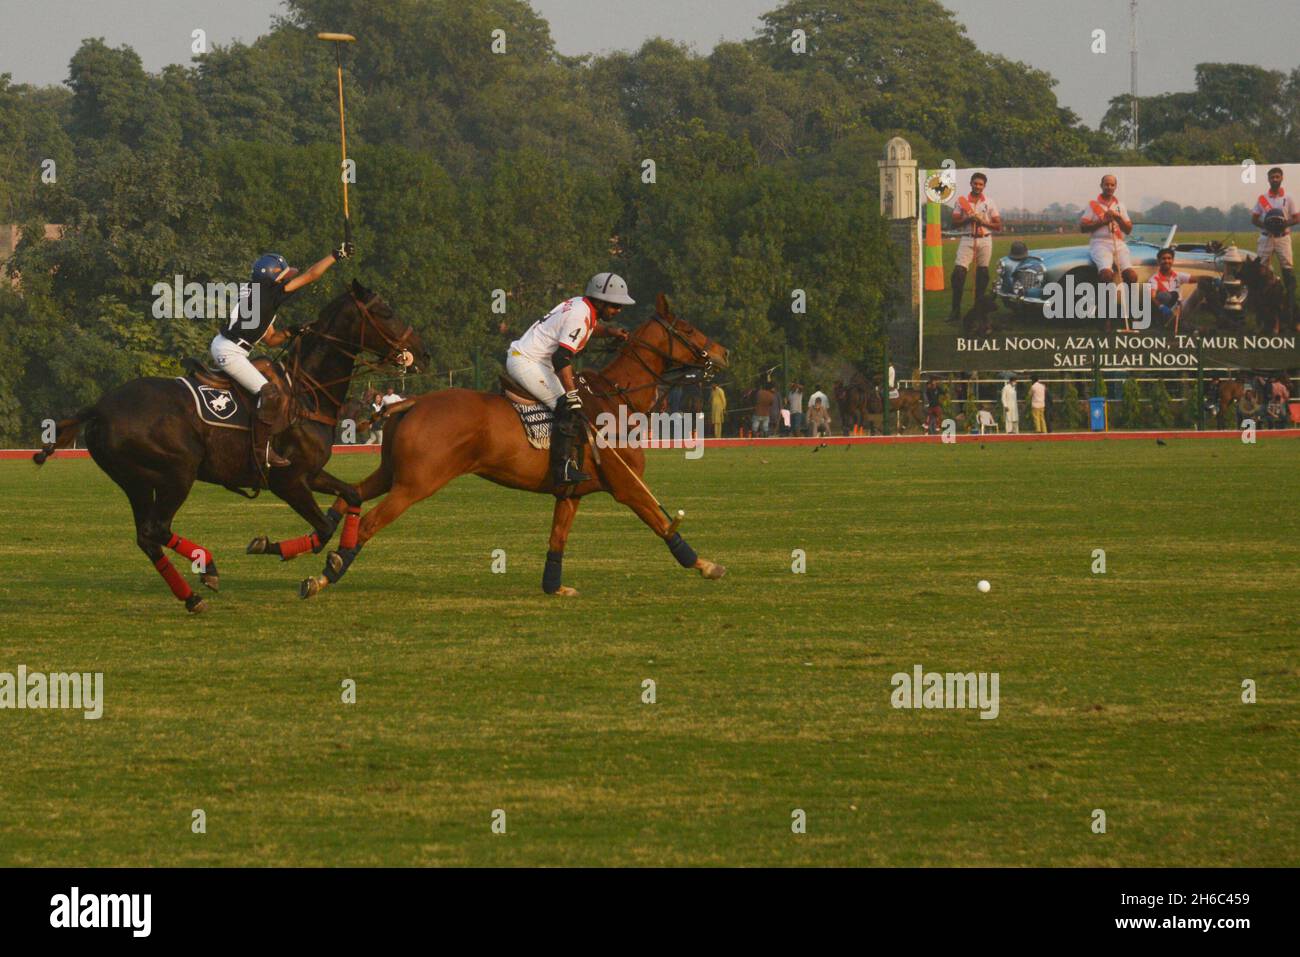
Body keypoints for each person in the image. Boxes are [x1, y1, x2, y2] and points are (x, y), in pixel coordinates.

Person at [210, 243, 352, 468]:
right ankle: (261, 451)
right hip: (229, 350)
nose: (286, 280)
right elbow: (311, 275)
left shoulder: (260, 296)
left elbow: (271, 339)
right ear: (272, 278)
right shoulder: (267, 293)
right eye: (283, 276)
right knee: (271, 394)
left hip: (230, 347)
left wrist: (291, 331)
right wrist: (335, 256)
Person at [505, 272, 631, 485]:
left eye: (620, 306)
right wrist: (571, 394)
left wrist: (609, 332)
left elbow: (590, 328)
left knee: (571, 401)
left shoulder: (581, 305)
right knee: (569, 406)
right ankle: (561, 469)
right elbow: (561, 357)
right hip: (527, 362)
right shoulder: (579, 316)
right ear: (599, 301)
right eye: (614, 305)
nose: (618, 310)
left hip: (533, 359)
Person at [1080, 174, 1137, 333]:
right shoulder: (1093, 205)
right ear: (1101, 185)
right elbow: (1083, 227)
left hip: (1118, 243)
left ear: (1115, 186)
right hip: (1100, 243)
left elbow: (1128, 229)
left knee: (1131, 276)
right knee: (1106, 275)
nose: (1109, 187)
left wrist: (1118, 218)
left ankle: (1130, 316)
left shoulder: (1120, 205)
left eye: (1112, 185)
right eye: (1106, 184)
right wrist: (1104, 221)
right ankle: (1105, 318)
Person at [949, 172, 1002, 322]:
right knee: (958, 274)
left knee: (982, 275)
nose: (978, 186)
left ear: (984, 186)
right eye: (975, 183)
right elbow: (954, 223)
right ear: (971, 183)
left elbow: (998, 225)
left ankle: (978, 310)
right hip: (967, 239)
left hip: (985, 240)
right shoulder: (962, 201)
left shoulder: (989, 202)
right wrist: (969, 218)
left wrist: (983, 222)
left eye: (981, 184)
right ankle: (955, 311)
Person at [1251, 167, 1299, 329]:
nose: (1275, 179)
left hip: (1283, 238)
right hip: (1266, 237)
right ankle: (1262, 318)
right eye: (1272, 177)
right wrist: (1267, 225)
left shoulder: (1289, 197)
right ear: (1268, 179)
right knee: (1260, 275)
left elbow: (1297, 218)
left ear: (1282, 178)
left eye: (1277, 176)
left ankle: (1292, 316)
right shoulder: (1262, 198)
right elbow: (1254, 219)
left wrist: (1283, 223)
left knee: (1288, 276)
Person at [1146, 247, 1204, 335]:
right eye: (1164, 259)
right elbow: (1152, 296)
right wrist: (1161, 306)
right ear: (1159, 261)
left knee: (1202, 288)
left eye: (1169, 258)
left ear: (1172, 260)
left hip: (1180, 308)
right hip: (1166, 311)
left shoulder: (1178, 275)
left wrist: (1212, 279)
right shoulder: (1154, 279)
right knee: (1165, 296)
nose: (1167, 261)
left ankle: (1221, 317)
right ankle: (1195, 329)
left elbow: (1197, 278)